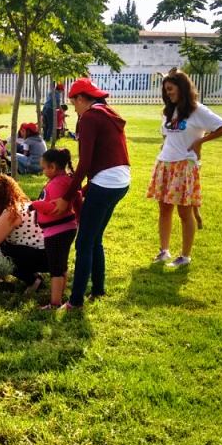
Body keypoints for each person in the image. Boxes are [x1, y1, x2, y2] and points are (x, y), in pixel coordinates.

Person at [52, 77, 130, 309]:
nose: (73, 107)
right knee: (95, 238)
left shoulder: (89, 118)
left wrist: (67, 197)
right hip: (120, 182)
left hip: (106, 183)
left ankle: (75, 301)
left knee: (84, 242)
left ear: (83, 99)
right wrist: (84, 189)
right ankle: (98, 289)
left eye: (74, 101)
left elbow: (85, 163)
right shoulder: (107, 112)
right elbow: (101, 160)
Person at [147, 69, 222, 267]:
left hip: (184, 165)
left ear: (182, 87)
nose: (168, 93)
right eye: (166, 90)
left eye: (170, 89)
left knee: (184, 213)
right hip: (165, 163)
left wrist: (200, 142)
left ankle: (185, 256)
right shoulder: (169, 110)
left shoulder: (197, 110)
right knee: (164, 210)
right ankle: (163, 251)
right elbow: (167, 135)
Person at [30, 148, 81, 308]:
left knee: (56, 269)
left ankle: (54, 303)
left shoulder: (59, 183)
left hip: (58, 231)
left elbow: (56, 209)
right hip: (62, 230)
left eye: (44, 167)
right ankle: (60, 295)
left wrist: (35, 204)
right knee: (61, 265)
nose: (43, 170)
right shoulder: (63, 180)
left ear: (52, 167)